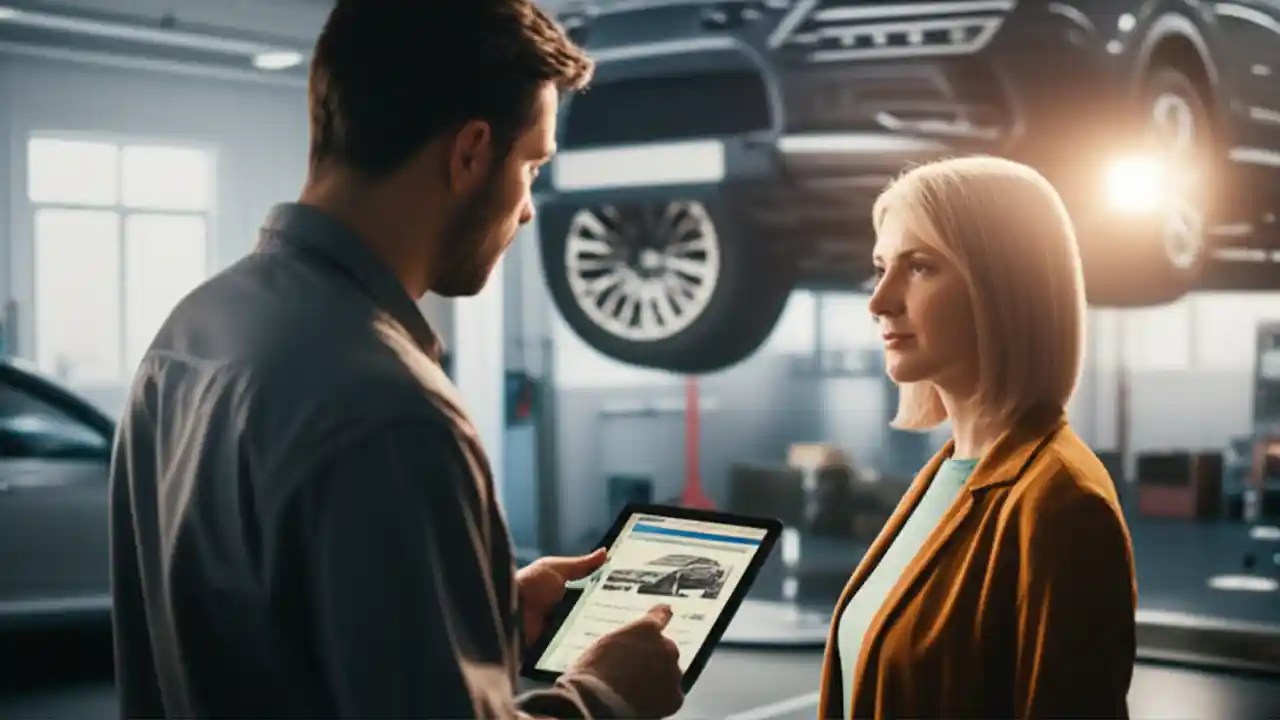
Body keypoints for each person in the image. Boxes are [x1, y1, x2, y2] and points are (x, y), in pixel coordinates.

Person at [107, 1, 684, 717]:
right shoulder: (392, 411)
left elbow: (257, 637)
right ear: (471, 153)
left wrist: (485, 609)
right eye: (532, 166)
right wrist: (604, 697)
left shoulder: (190, 334)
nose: (529, 208)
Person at [818, 156, 1137, 719]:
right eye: (881, 267)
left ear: (1005, 286)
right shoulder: (943, 475)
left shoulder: (1063, 505)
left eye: (919, 268)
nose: (879, 301)